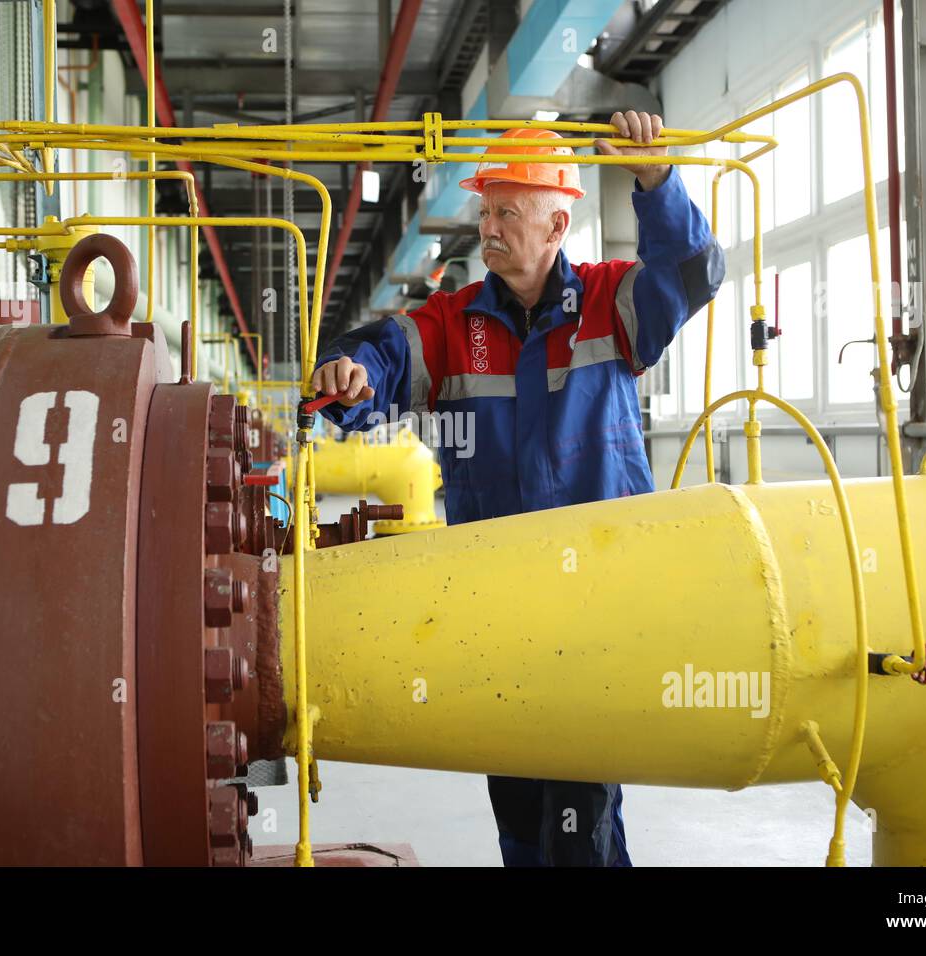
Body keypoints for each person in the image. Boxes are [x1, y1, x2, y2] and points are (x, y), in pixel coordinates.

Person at [311, 110, 725, 866]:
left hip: (595, 595)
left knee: (581, 804)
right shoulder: (454, 323)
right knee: (520, 802)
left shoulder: (612, 306)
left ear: (557, 222)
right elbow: (388, 352)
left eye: (507, 210)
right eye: (486, 208)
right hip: (495, 597)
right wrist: (352, 371)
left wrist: (658, 179)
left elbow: (695, 272)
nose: (488, 225)